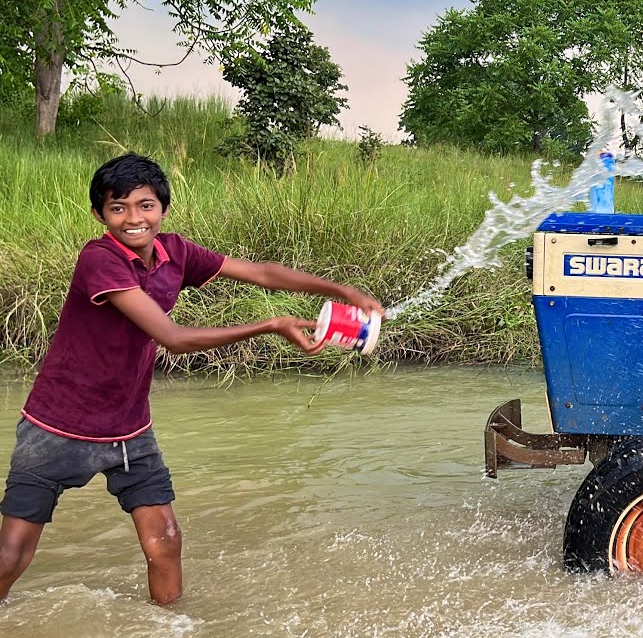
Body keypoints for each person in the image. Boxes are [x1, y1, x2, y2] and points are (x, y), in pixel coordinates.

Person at [0, 153, 383, 605]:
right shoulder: (99, 260)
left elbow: (259, 273)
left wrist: (342, 291)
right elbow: (172, 338)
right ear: (100, 215)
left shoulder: (175, 252)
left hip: (129, 431)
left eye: (145, 205)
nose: (133, 218)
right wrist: (268, 326)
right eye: (117, 207)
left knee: (165, 541)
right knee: (11, 556)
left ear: (162, 207)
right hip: (57, 427)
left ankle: (168, 626)